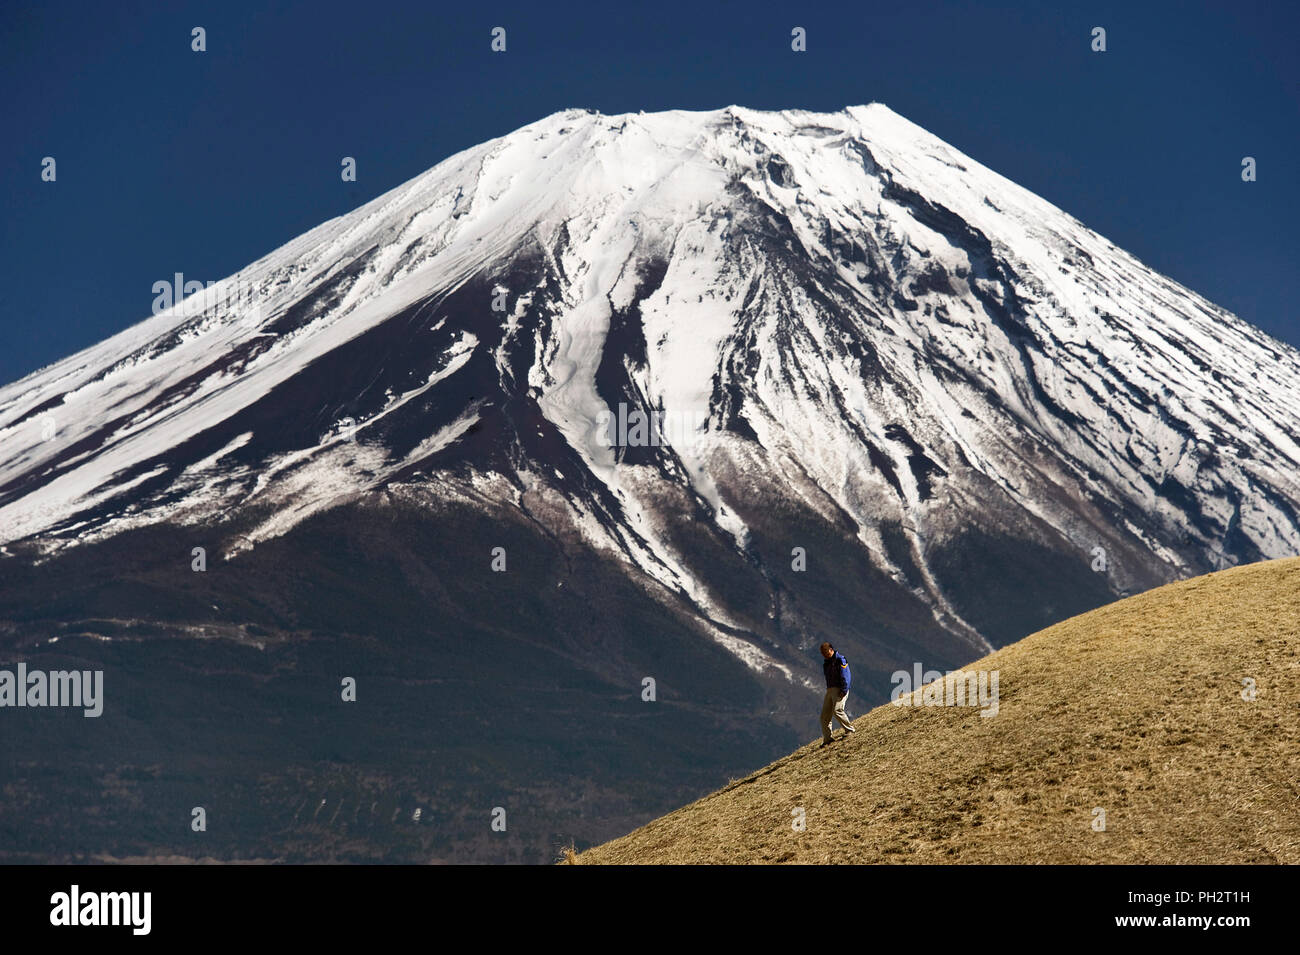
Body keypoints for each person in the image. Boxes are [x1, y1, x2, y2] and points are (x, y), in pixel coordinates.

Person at [819, 642, 856, 746]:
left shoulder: (840, 659)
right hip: (830, 689)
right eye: (823, 653)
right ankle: (827, 739)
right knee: (824, 716)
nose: (824, 655)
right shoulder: (826, 662)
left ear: (831, 650)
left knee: (837, 710)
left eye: (825, 653)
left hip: (839, 689)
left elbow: (846, 675)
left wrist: (844, 690)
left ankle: (850, 731)